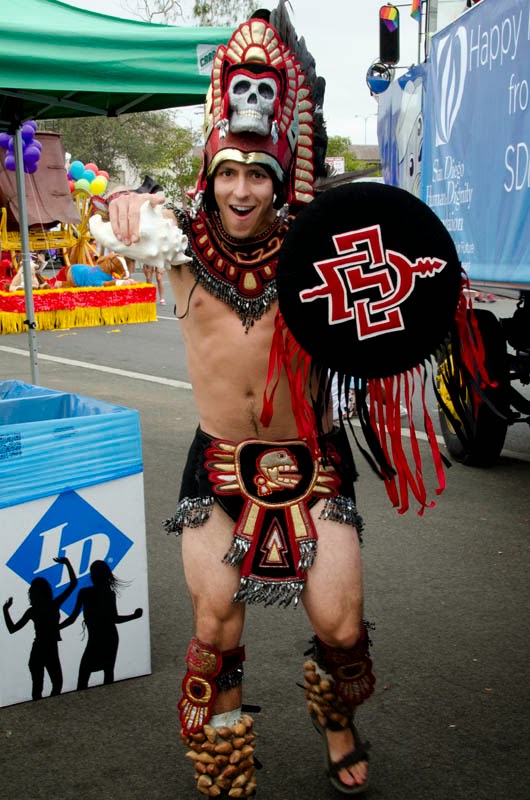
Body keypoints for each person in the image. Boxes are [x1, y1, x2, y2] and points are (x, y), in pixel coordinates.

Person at [103, 6, 374, 796]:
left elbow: (395, 279)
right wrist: (119, 201)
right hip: (216, 463)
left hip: (314, 458)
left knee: (341, 624)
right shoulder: (175, 248)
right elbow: (113, 220)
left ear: (278, 177)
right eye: (229, 172)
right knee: (217, 626)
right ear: (210, 176)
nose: (243, 187)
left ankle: (338, 721)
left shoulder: (317, 247)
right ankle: (225, 758)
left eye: (258, 172)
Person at [59, 559, 143, 690]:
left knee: (89, 674)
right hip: (108, 637)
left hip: (102, 638)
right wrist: (134, 616)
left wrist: (57, 627)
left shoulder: (87, 593)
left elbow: (73, 617)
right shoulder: (106, 594)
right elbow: (115, 619)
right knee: (105, 671)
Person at [3, 556, 77, 700]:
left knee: (41, 685)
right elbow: (73, 584)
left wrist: (6, 610)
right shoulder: (52, 605)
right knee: (53, 683)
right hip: (47, 648)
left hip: (41, 648)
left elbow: (12, 629)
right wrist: (67, 563)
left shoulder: (35, 610)